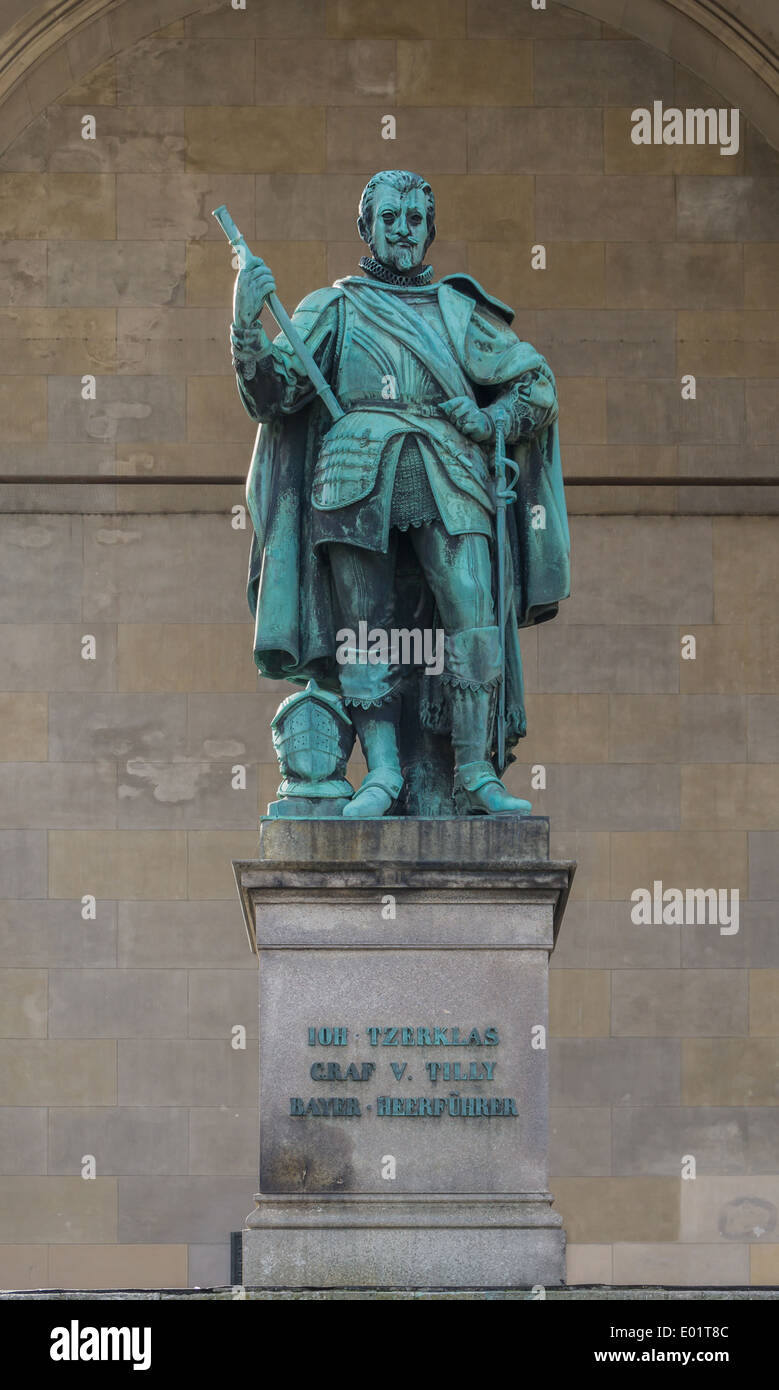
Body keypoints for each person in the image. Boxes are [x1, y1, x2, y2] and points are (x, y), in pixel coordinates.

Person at [230, 170, 569, 818]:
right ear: (367, 228)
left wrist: (491, 421)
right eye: (389, 218)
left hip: (449, 469)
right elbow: (274, 392)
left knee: (472, 611)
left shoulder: (458, 311)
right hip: (353, 472)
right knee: (364, 627)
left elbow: (538, 386)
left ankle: (474, 771)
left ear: (429, 229)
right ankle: (382, 772)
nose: (403, 231)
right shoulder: (333, 307)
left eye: (415, 219)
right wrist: (245, 327)